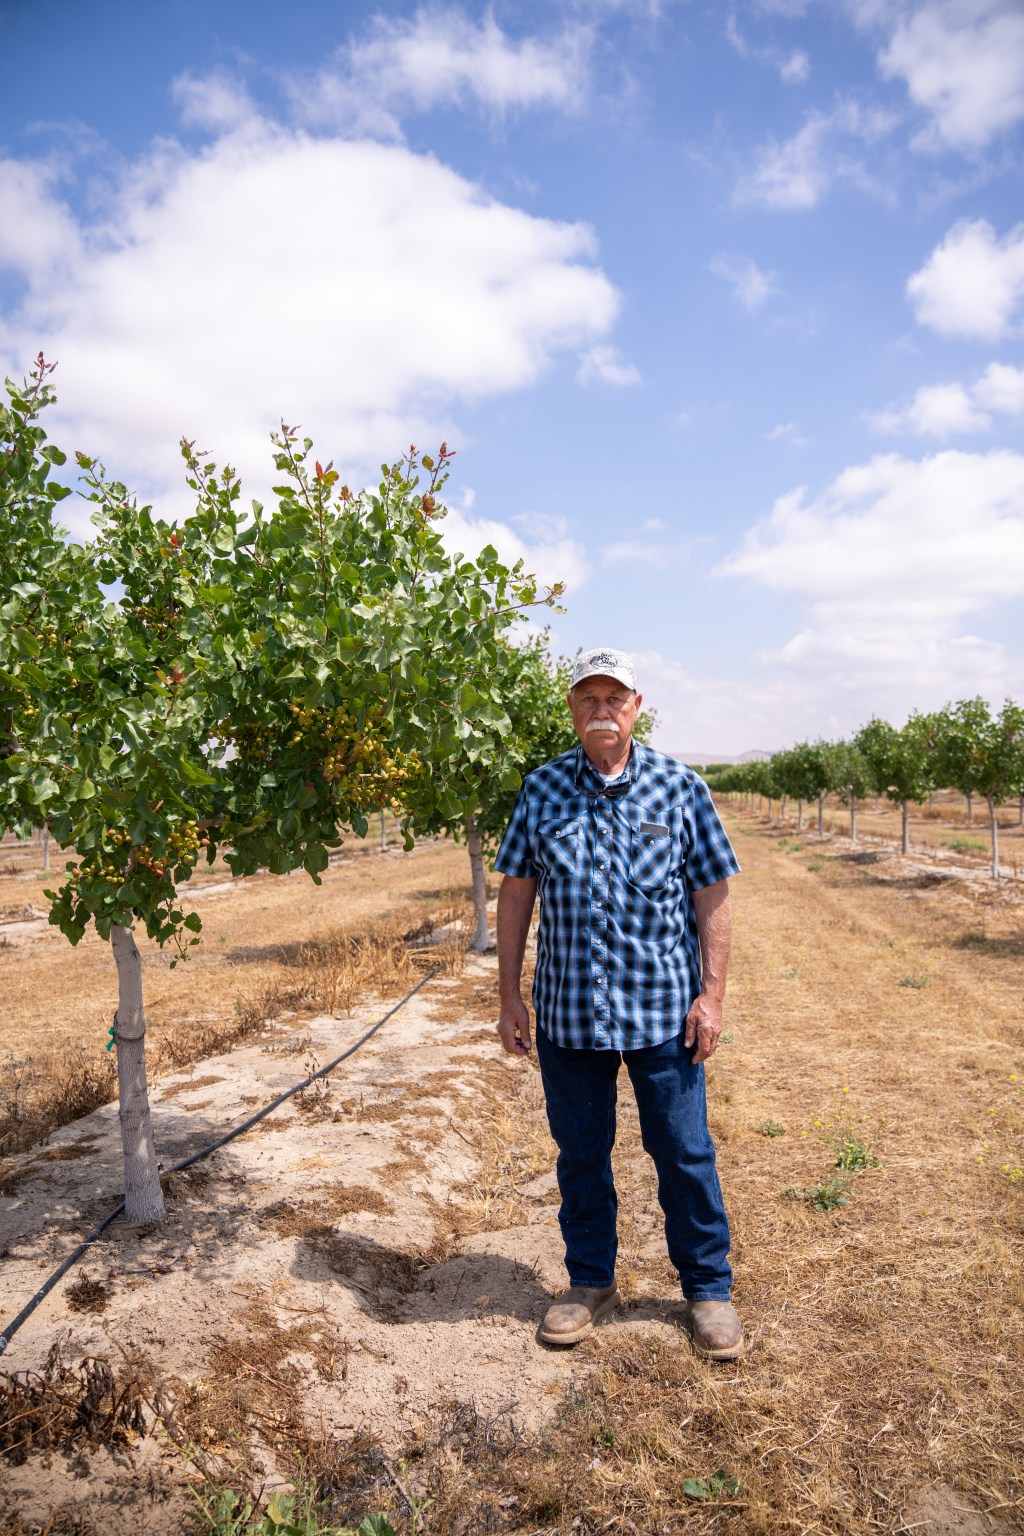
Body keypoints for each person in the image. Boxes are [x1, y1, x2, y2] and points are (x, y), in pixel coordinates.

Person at [493, 646, 743, 1358]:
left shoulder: (679, 787)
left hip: (663, 1012)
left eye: (615, 698)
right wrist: (509, 995)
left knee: (684, 1151)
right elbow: (516, 891)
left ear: (637, 707)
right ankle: (590, 1283)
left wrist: (712, 996)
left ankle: (707, 1289)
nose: (601, 709)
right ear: (573, 709)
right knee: (580, 1155)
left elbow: (712, 894)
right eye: (588, 698)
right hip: (570, 1013)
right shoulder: (541, 790)